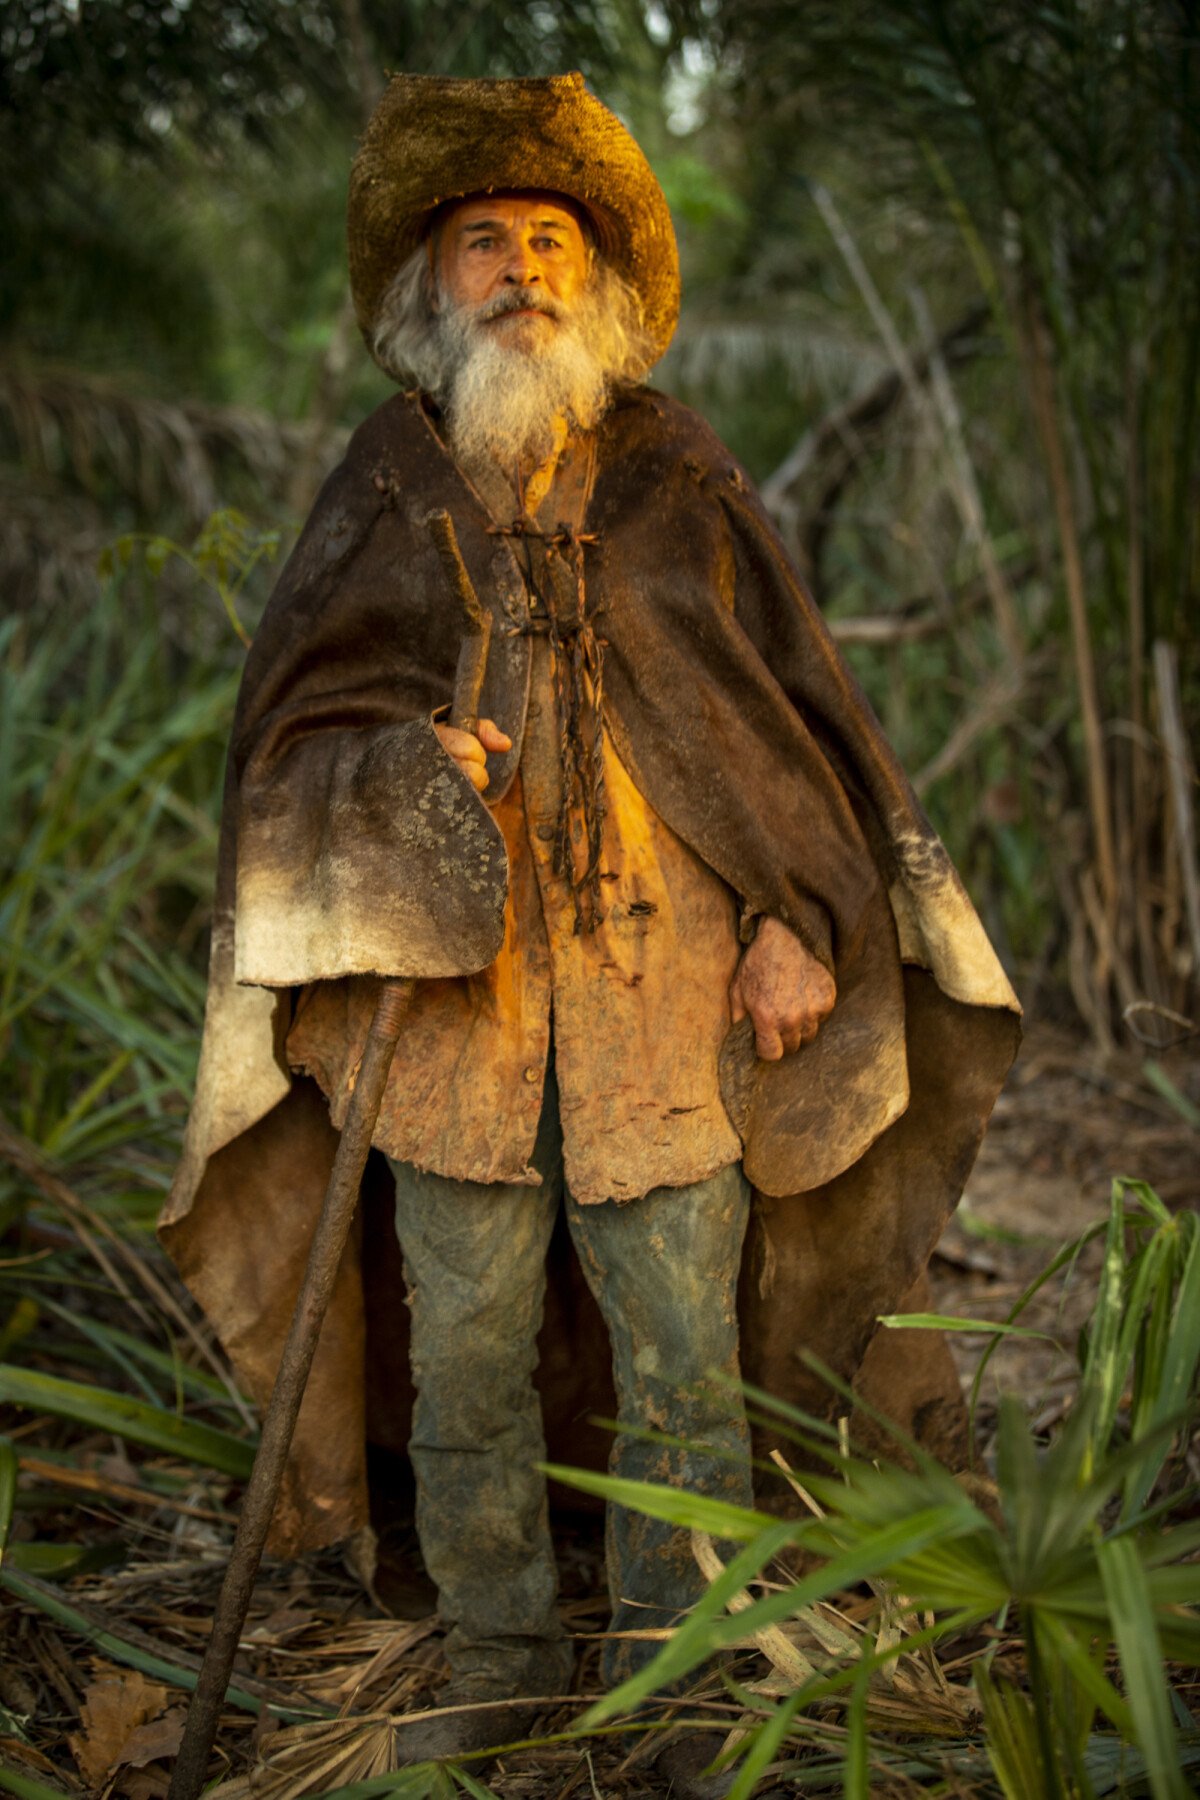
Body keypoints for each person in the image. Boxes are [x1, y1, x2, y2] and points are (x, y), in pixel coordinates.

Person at [160, 72, 1020, 1783]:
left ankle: (677, 1674)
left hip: (668, 997)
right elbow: (289, 741)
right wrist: (403, 776)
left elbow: (790, 736)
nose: (522, 269)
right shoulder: (385, 478)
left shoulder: (676, 469)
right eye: (483, 241)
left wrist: (798, 919)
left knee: (685, 1356)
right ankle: (498, 1650)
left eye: (550, 238)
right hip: (453, 1018)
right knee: (467, 1356)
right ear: (434, 284)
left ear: (600, 276)